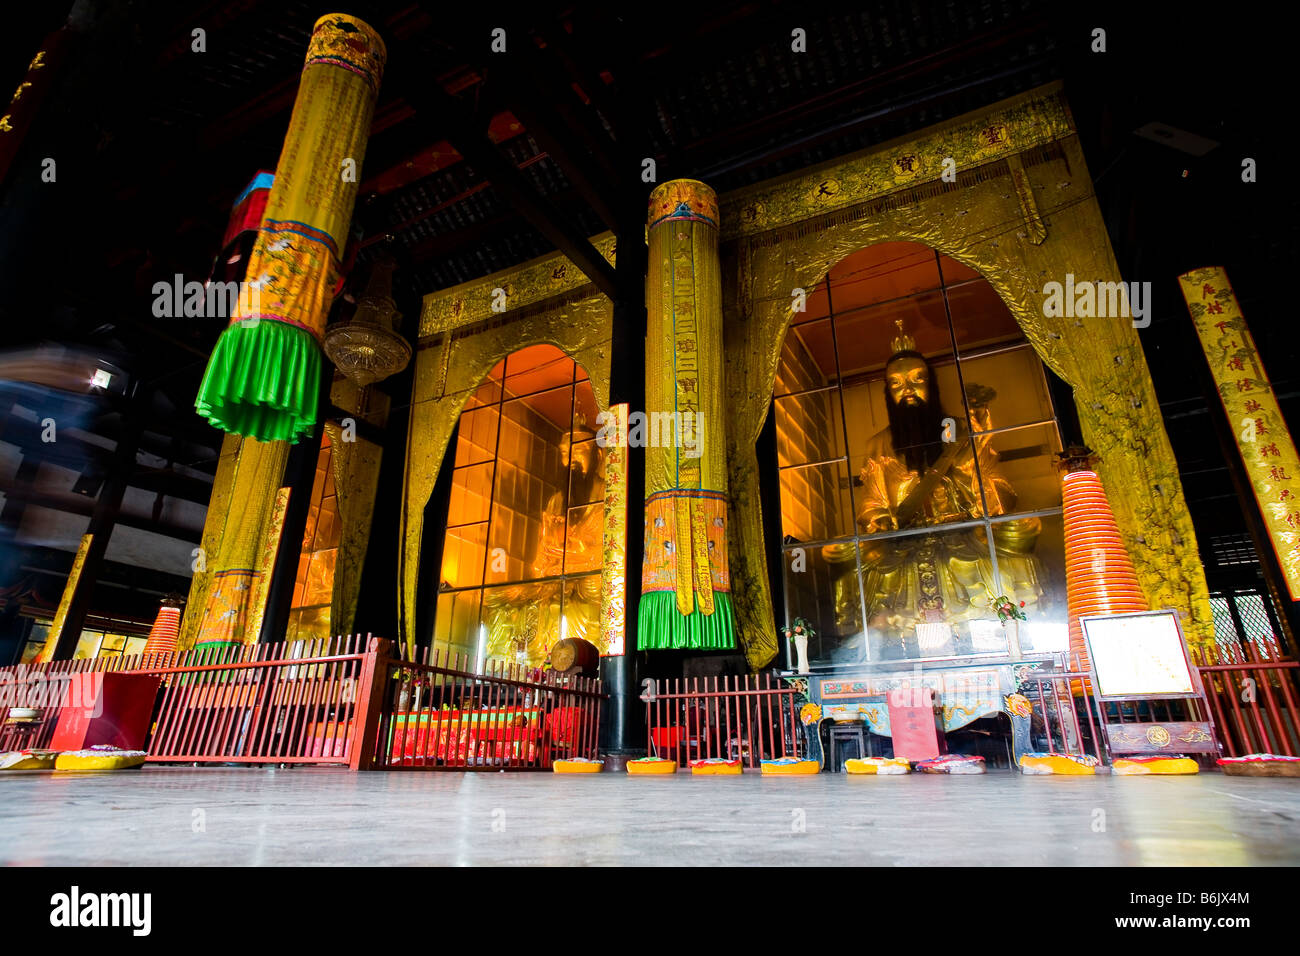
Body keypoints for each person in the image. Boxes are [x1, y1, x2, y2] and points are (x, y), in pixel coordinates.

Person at [823, 322, 1043, 659]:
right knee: (840, 555)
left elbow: (996, 485)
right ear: (887, 393)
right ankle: (891, 648)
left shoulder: (958, 432)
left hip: (962, 530)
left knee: (1012, 536)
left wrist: (977, 448)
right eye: (896, 384)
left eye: (916, 380)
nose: (907, 390)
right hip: (904, 539)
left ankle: (996, 640)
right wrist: (879, 518)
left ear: (932, 386)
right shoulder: (879, 444)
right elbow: (872, 500)